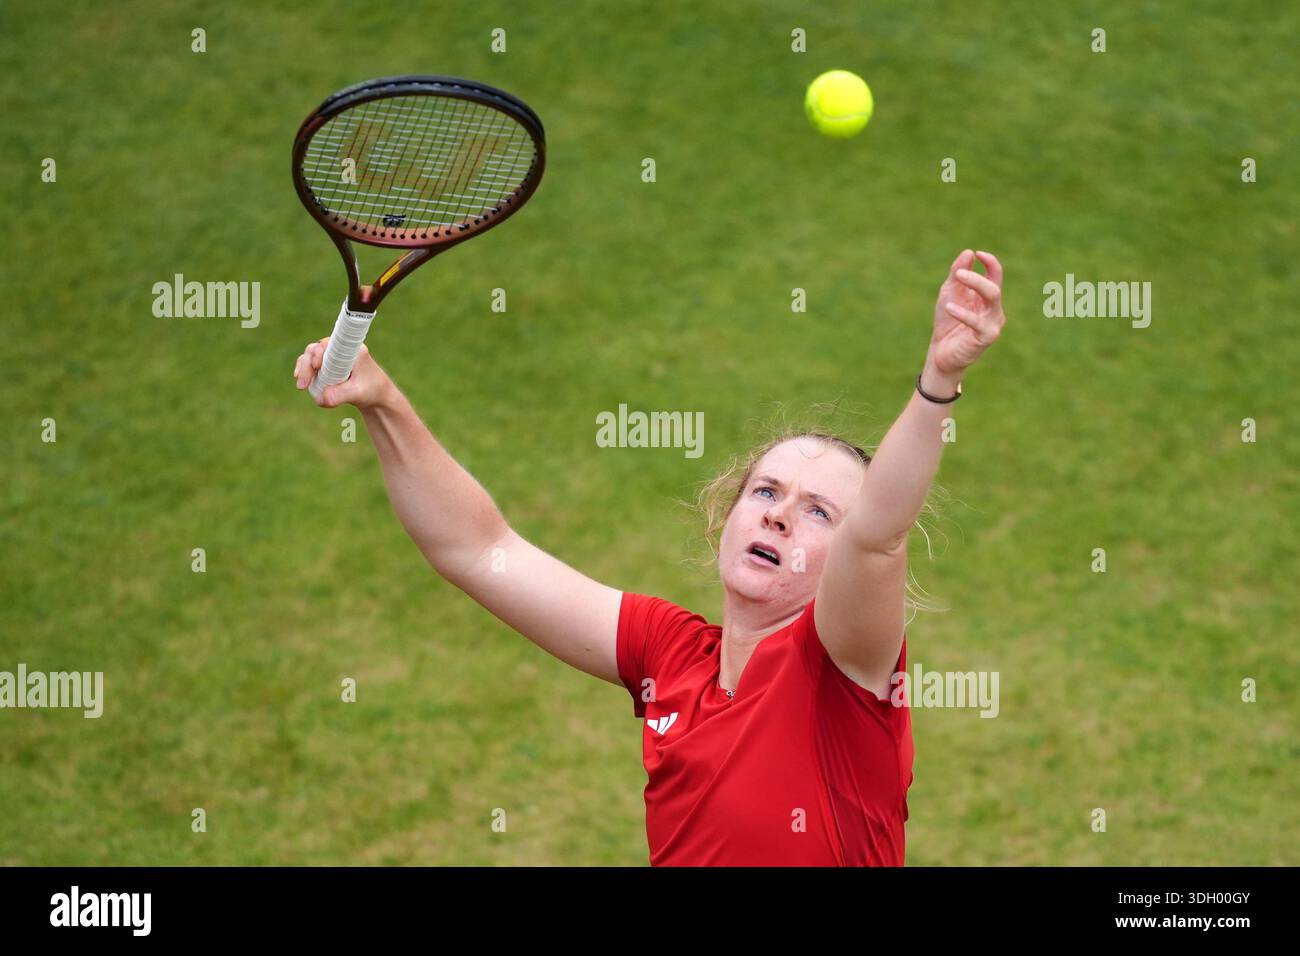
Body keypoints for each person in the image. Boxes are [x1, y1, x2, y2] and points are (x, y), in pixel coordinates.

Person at [292, 249, 1006, 865]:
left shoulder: (845, 676)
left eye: (819, 511)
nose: (780, 514)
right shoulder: (670, 654)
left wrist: (937, 383)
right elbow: (479, 550)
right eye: (766, 490)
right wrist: (383, 402)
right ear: (727, 517)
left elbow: (877, 533)